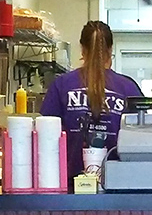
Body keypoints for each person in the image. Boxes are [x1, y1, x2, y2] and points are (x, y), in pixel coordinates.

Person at [40, 20, 142, 181]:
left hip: (68, 184)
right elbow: (142, 139)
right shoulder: (128, 88)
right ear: (110, 49)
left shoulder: (62, 85)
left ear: (82, 49)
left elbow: (44, 137)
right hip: (119, 184)